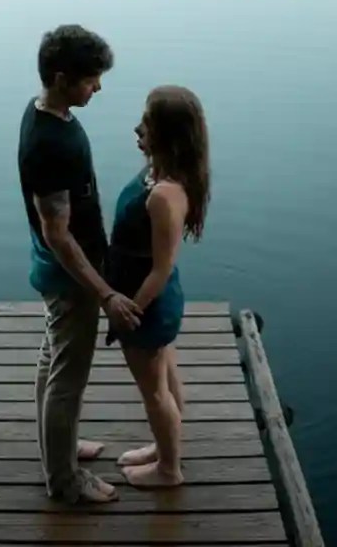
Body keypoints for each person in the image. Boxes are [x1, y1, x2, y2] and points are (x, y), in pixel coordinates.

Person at [17, 25, 145, 504]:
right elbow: (57, 232)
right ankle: (64, 480)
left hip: (59, 268)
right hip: (69, 276)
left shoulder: (44, 112)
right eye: (91, 79)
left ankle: (59, 446)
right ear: (61, 76)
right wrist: (105, 292)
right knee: (68, 379)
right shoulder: (49, 143)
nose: (98, 88)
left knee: (54, 362)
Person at [107, 85, 210, 488]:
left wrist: (128, 313)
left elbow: (162, 268)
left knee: (154, 393)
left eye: (146, 124)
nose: (137, 129)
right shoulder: (159, 174)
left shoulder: (165, 196)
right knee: (165, 375)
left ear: (166, 134)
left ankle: (169, 469)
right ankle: (166, 445)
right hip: (152, 302)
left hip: (148, 305)